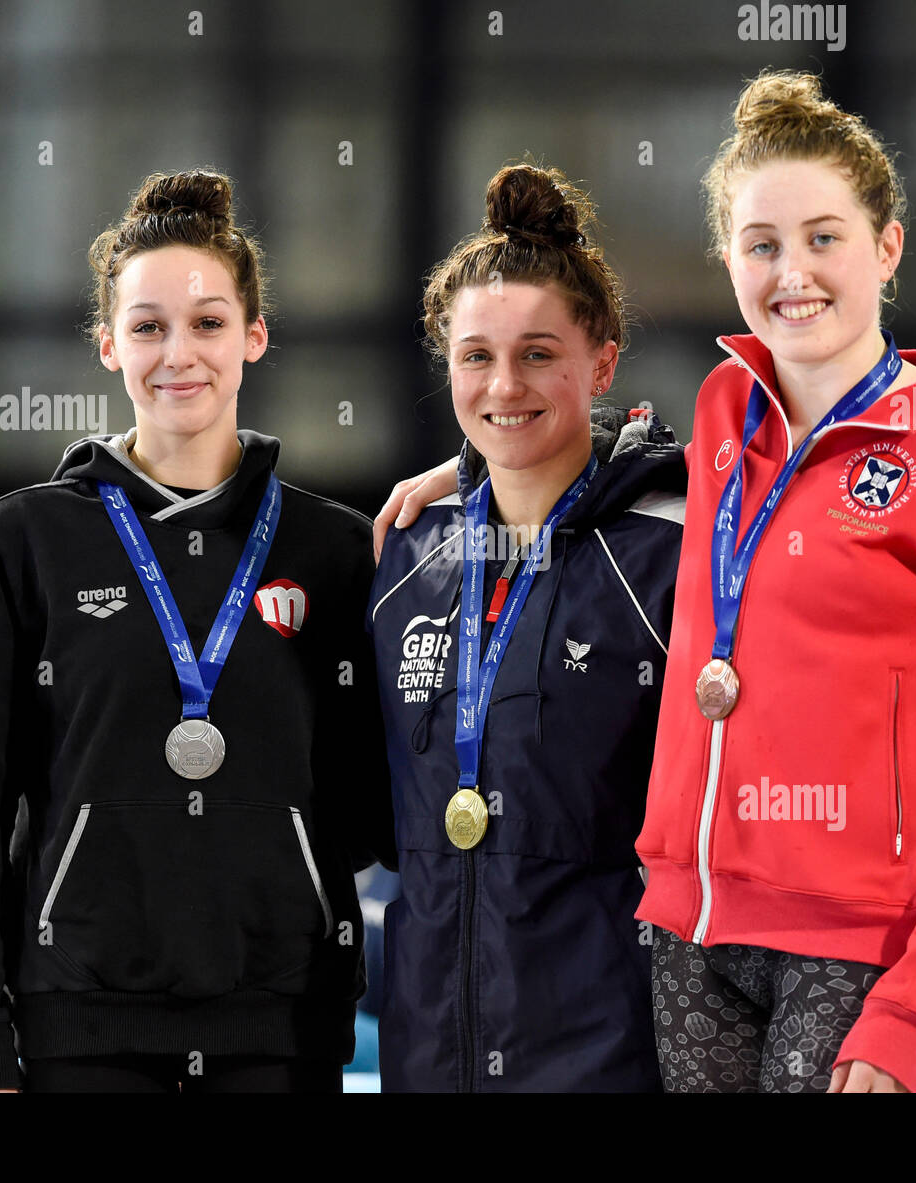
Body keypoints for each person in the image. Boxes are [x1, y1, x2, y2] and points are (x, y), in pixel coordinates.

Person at [376, 71, 916, 1095]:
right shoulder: (719, 420)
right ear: (729, 259)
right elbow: (593, 443)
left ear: (887, 247)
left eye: (823, 237)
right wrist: (479, 470)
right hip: (687, 939)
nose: (791, 271)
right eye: (761, 244)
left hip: (849, 948)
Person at [0, 168, 394, 1093]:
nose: (179, 352)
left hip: (284, 1027)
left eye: (209, 322)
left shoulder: (335, 549)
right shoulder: (22, 543)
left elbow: (374, 808)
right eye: (147, 326)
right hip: (79, 1027)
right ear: (108, 344)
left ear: (254, 335)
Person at [367, 162, 687, 1091]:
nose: (505, 383)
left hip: (609, 1060)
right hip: (429, 1059)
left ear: (603, 360)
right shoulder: (405, 558)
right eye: (476, 355)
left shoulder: (675, 554)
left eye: (540, 353)